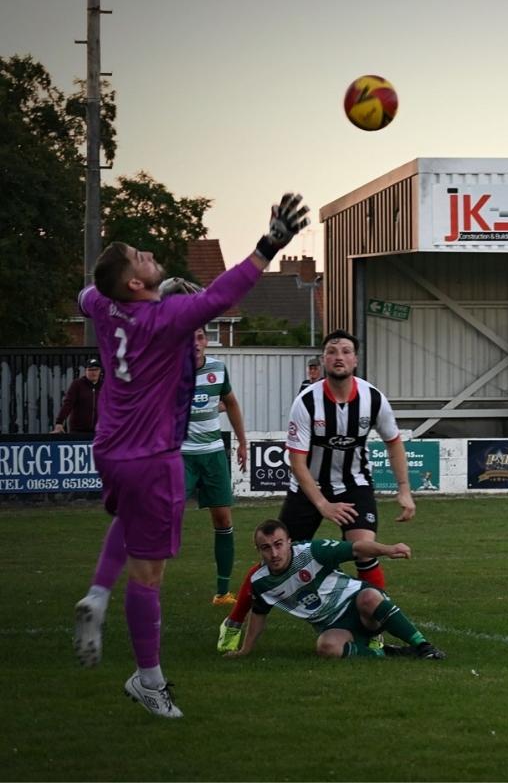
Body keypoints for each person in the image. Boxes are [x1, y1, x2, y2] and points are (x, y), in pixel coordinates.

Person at [70, 192, 311, 719]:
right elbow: (222, 294)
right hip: (154, 457)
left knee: (127, 523)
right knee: (149, 576)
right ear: (136, 284)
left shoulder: (101, 307)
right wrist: (269, 244)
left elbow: (89, 291)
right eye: (140, 258)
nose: (149, 256)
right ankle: (148, 680)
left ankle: (97, 592)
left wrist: (138, 290)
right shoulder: (166, 319)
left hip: (109, 450)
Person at [217, 329, 416, 653]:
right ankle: (234, 623)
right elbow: (297, 461)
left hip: (354, 483)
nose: (339, 356)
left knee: (364, 551)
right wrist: (322, 504)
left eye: (346, 351)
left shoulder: (373, 398)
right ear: (324, 360)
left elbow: (394, 443)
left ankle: (374, 628)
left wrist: (404, 490)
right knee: (274, 557)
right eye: (332, 351)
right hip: (308, 487)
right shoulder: (306, 401)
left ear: (355, 359)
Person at [224, 519, 444, 660]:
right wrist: (245, 650)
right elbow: (258, 614)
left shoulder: (312, 552)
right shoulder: (261, 581)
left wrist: (388, 549)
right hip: (333, 625)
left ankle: (424, 646)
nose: (274, 553)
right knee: (326, 648)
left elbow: (356, 547)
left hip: (359, 605)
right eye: (266, 548)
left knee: (369, 596)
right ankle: (386, 653)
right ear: (258, 550)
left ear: (289, 542)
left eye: (278, 544)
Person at [183, 327, 248, 606]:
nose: (195, 343)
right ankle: (146, 587)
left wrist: (242, 442)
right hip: (180, 455)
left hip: (213, 454)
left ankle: (222, 593)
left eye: (200, 337)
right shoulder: (167, 370)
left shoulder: (218, 369)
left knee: (223, 520)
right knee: (165, 518)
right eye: (189, 337)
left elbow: (230, 403)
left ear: (206, 342)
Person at [52, 357, 103, 434]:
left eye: (96, 369)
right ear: (85, 371)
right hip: (78, 430)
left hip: (100, 430)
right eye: (90, 370)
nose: (94, 372)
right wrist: (59, 423)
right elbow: (68, 404)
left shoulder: (105, 386)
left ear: (100, 371)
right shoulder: (77, 384)